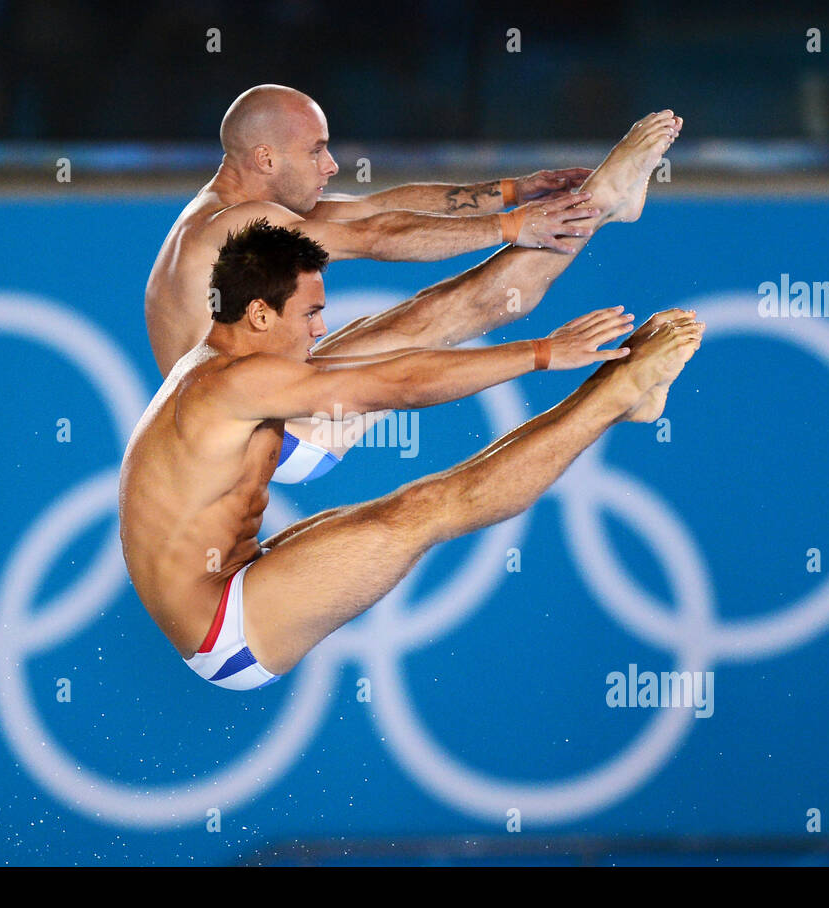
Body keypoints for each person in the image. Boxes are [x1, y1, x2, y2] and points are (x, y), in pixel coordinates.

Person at [120, 221, 703, 689]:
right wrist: (543, 353)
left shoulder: (224, 365)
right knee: (426, 509)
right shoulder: (228, 385)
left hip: (240, 571)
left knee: (409, 367)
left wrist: (511, 219)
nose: (321, 329)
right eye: (310, 314)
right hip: (226, 625)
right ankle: (618, 395)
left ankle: (619, 393)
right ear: (259, 315)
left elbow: (390, 342)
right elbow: (398, 385)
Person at [143, 84, 682, 482]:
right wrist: (513, 226)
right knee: (458, 309)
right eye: (317, 149)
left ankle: (604, 213)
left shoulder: (223, 212)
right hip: (273, 434)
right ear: (266, 157)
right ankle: (605, 202)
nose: (331, 165)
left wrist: (515, 190)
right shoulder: (238, 226)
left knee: (429, 314)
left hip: (261, 414)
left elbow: (380, 205)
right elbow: (379, 235)